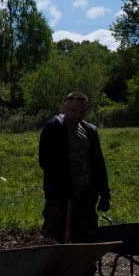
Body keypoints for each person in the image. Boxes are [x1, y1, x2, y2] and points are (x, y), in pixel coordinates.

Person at [38, 91, 111, 247]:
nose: (78, 115)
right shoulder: (54, 127)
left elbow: (98, 163)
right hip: (60, 198)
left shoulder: (90, 130)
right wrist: (64, 185)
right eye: (74, 111)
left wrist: (104, 193)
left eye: (82, 112)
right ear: (65, 107)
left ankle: (84, 271)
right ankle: (54, 271)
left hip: (85, 197)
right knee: (54, 240)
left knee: (87, 241)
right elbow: (46, 161)